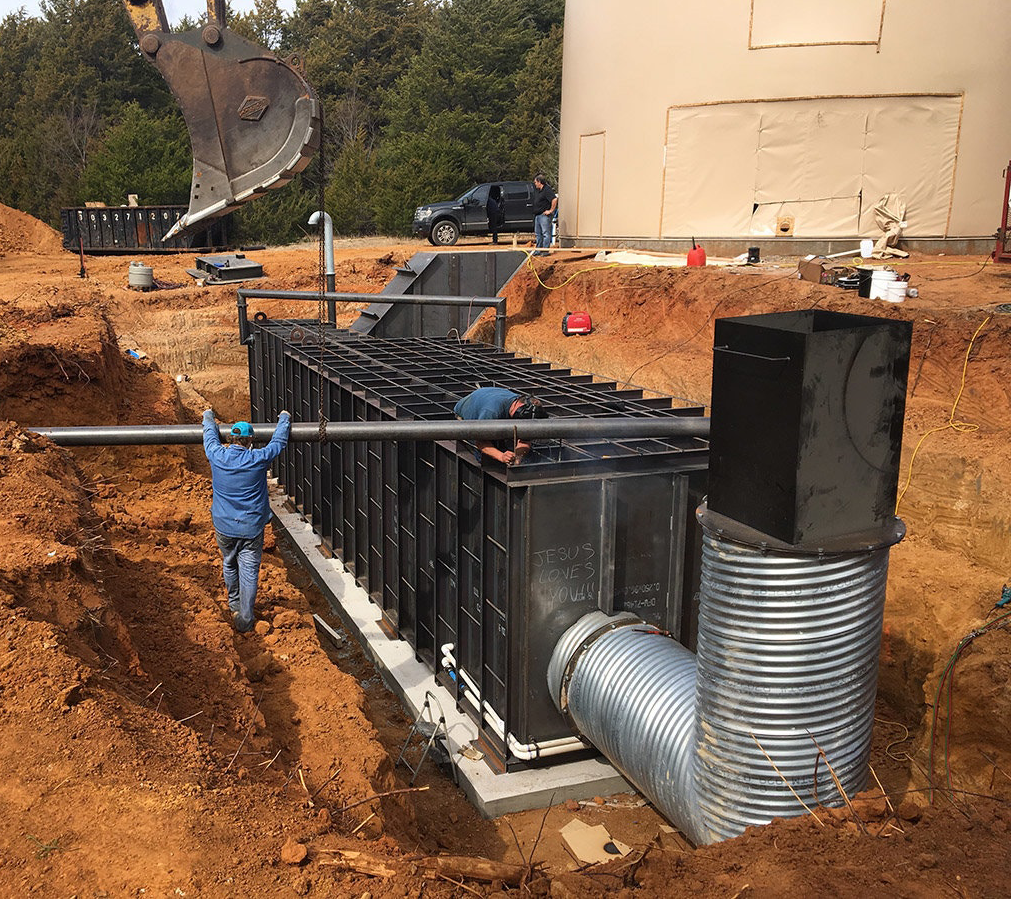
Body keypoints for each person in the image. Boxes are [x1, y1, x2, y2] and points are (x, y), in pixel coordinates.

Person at [202, 409, 291, 633]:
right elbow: (279, 441)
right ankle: (245, 618)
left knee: (229, 562)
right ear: (250, 441)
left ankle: (233, 604)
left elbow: (210, 436)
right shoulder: (257, 459)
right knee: (249, 570)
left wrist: (208, 417)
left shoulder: (216, 454)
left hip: (224, 525)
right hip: (251, 528)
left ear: (231, 439)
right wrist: (284, 418)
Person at [453, 387, 546, 465]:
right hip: (465, 412)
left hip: (488, 396)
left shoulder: (521, 407)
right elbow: (480, 442)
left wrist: (517, 459)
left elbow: (525, 441)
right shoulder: (491, 412)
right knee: (485, 457)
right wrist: (501, 456)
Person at [532, 174, 557, 256]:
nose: (535, 184)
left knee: (546, 233)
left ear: (539, 182)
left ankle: (545, 250)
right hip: (537, 215)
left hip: (544, 216)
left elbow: (554, 199)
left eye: (535, 182)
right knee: (538, 234)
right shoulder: (538, 190)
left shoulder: (547, 190)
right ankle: (538, 250)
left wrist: (551, 210)